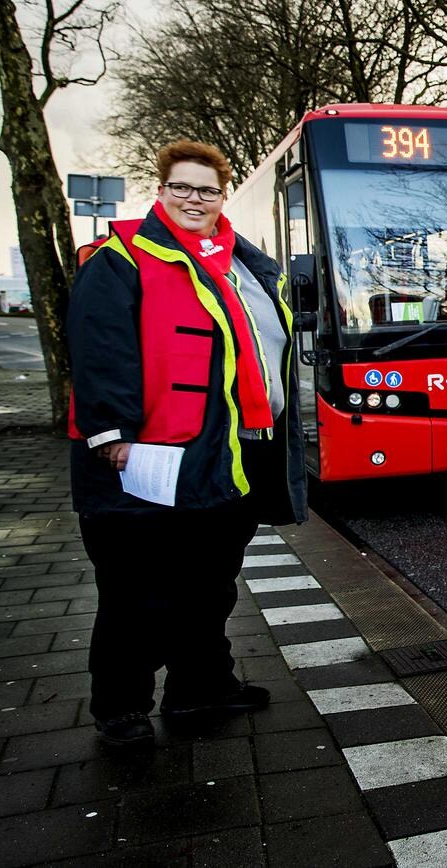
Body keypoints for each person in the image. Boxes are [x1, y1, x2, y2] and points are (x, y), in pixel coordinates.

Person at [68, 140, 306, 747]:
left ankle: (201, 687)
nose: (194, 199)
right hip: (147, 455)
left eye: (206, 189)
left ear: (222, 196)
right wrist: (110, 435)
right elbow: (101, 349)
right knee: (137, 590)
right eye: (182, 187)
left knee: (209, 581)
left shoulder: (244, 262)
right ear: (162, 190)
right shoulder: (120, 258)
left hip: (230, 451)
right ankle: (119, 707)